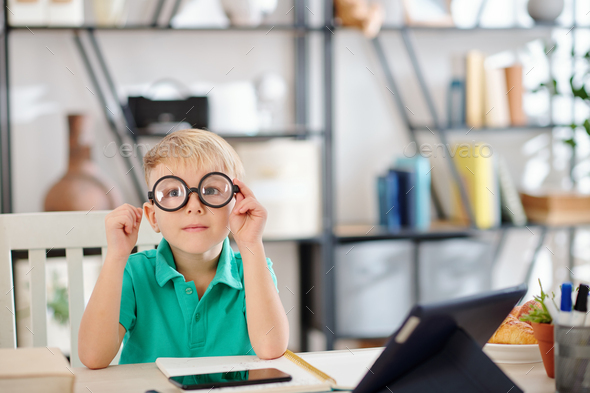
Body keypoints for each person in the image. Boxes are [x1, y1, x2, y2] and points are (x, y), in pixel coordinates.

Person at [78, 129, 289, 369]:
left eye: (210, 190)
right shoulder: (134, 273)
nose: (194, 206)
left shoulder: (252, 269)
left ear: (237, 203)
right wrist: (116, 256)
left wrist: (251, 244)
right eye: (173, 192)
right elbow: (93, 357)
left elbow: (272, 349)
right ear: (153, 216)